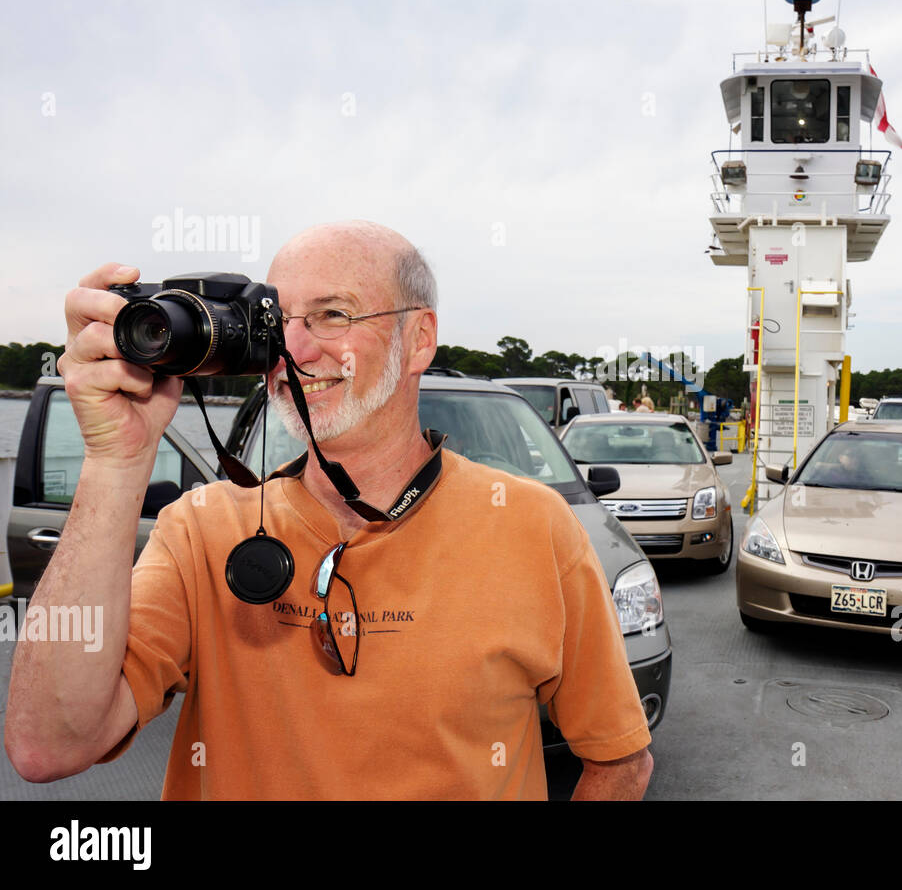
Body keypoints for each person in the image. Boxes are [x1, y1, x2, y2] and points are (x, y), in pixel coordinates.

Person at [5, 221, 653, 800]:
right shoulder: (202, 530)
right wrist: (114, 464)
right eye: (277, 321)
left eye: (333, 315)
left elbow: (621, 761)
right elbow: (48, 747)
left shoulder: (531, 526)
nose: (297, 349)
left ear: (419, 338)